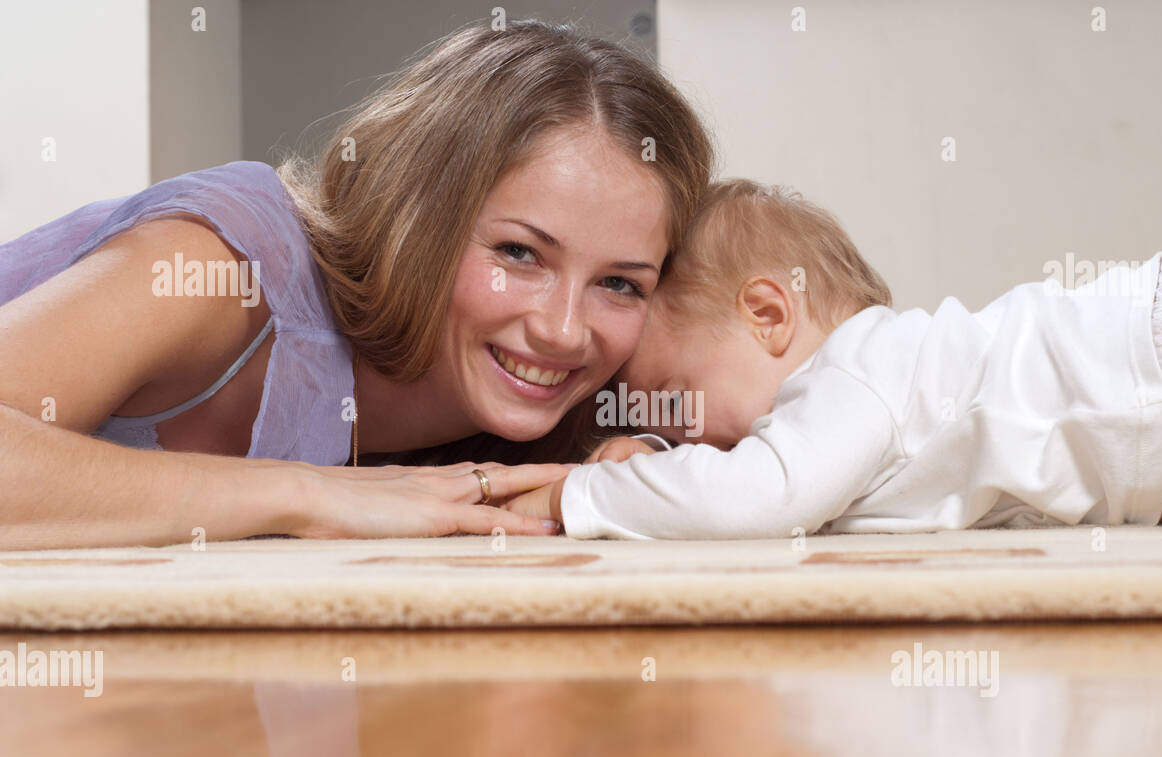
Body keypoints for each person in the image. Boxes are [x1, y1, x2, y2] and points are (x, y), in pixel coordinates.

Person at [0, 20, 713, 550]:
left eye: (620, 283)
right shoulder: (226, 265)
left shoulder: (580, 410)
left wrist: (641, 468)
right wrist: (302, 495)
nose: (562, 329)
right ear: (420, 218)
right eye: (519, 252)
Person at [509, 148, 1162, 537]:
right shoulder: (883, 426)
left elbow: (759, 498)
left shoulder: (853, 372)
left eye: (680, 403)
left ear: (769, 315)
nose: (691, 441)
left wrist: (573, 497)